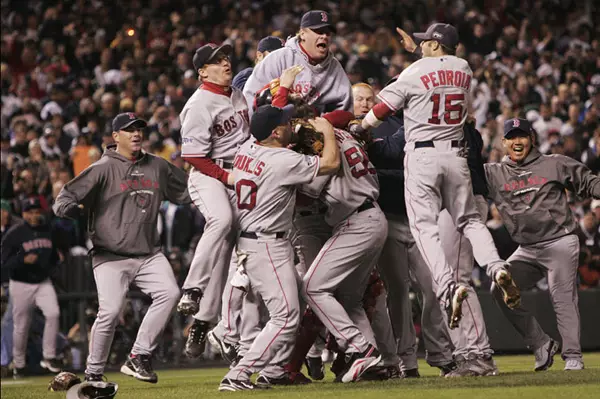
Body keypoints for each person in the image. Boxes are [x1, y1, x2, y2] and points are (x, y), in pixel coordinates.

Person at [359, 23, 520, 328]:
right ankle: (496, 266)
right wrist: (416, 53)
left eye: (425, 43)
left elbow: (382, 108)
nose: (421, 46)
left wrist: (361, 127)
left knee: (424, 227)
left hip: (423, 155)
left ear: (434, 45)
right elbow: (435, 70)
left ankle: (448, 286)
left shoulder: (413, 73)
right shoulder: (464, 69)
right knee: (470, 221)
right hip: (456, 155)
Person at [53, 112, 190, 383]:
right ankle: (93, 373)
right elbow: (64, 198)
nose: (136, 133)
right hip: (110, 255)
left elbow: (188, 190)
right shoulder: (103, 167)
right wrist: (72, 209)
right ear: (115, 137)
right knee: (111, 311)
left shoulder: (158, 166)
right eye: (129, 130)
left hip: (149, 253)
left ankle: (138, 355)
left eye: (139, 128)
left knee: (170, 292)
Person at [219, 105, 339, 391]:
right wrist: (328, 132)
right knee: (285, 316)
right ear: (274, 132)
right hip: (267, 243)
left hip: (257, 240)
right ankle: (239, 373)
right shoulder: (281, 159)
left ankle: (274, 370)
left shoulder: (246, 149)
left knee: (298, 299)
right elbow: (331, 163)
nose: (290, 125)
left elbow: (273, 136)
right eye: (286, 123)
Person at [485, 118, 600, 371]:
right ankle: (540, 344)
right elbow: (464, 173)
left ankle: (573, 357)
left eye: (522, 136)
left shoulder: (553, 163)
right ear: (503, 142)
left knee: (562, 297)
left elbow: (588, 181)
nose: (518, 141)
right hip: (527, 248)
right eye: (512, 137)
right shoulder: (492, 173)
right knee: (498, 289)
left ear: (532, 139)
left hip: (559, 240)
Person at [298, 112, 387, 383]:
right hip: (373, 216)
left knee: (312, 286)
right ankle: (374, 365)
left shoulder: (325, 144)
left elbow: (305, 196)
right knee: (350, 300)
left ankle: (361, 349)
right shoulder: (345, 136)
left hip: (356, 221)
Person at [177, 43, 250, 358]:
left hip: (238, 176)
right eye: (216, 61)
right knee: (221, 219)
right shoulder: (198, 104)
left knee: (232, 258)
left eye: (226, 58)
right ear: (202, 71)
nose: (225, 63)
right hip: (209, 173)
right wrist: (226, 177)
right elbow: (193, 156)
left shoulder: (236, 94)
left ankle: (205, 324)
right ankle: (192, 289)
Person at [243, 10, 353, 116]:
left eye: (327, 33)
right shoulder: (279, 58)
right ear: (302, 34)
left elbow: (345, 107)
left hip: (314, 129)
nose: (324, 36)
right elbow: (251, 98)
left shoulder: (334, 67)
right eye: (318, 31)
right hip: (275, 127)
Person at [1, 197, 62, 378]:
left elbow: (54, 256)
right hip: (20, 283)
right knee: (21, 325)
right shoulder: (14, 233)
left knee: (53, 313)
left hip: (42, 282)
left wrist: (52, 266)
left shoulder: (47, 230)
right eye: (31, 212)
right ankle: (19, 364)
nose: (35, 215)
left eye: (37, 211)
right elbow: (4, 263)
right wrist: (22, 260)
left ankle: (49, 356)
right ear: (24, 213)